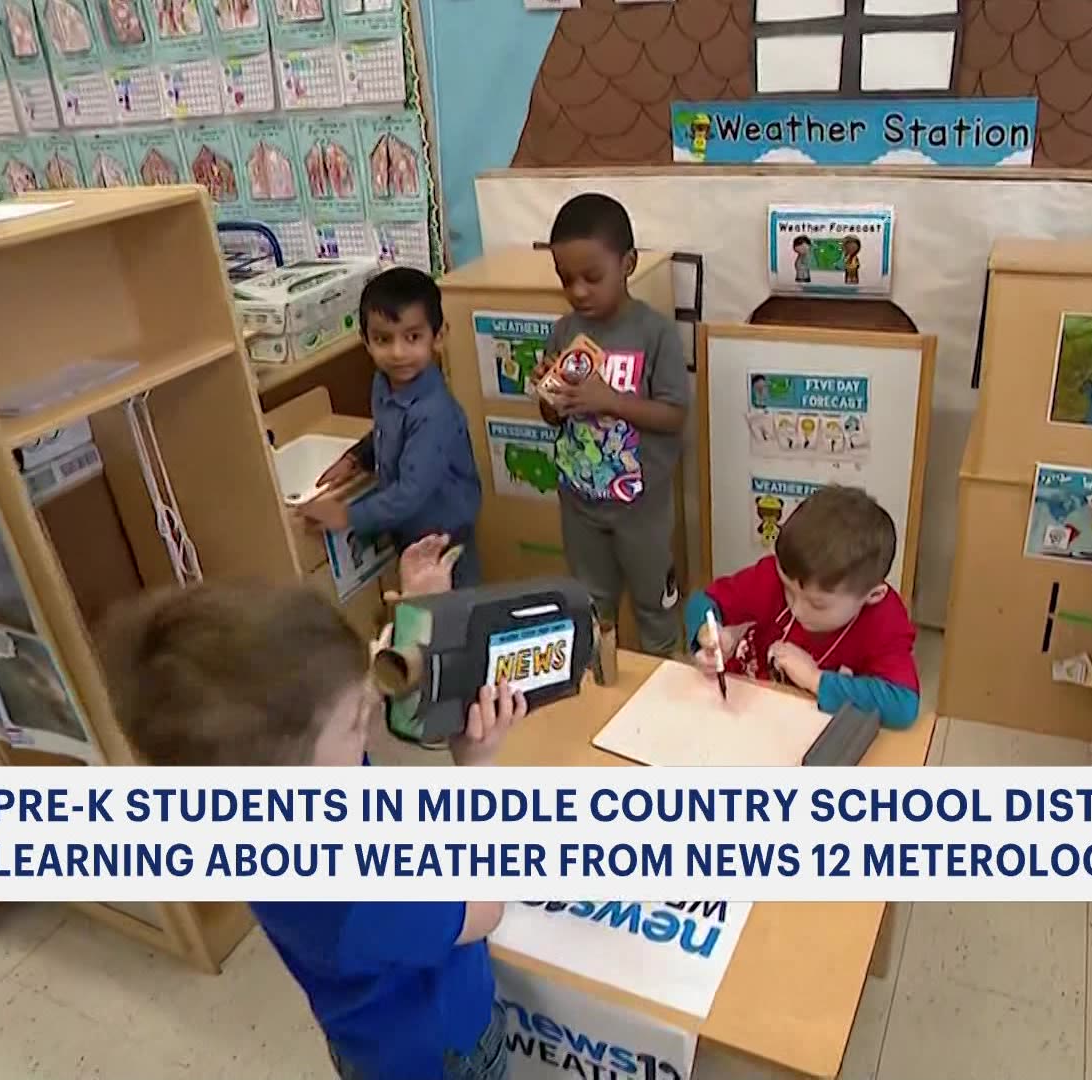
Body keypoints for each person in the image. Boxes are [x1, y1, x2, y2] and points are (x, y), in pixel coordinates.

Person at [98, 535, 523, 1080]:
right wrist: (477, 767)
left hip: (365, 1036)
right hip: (441, 1050)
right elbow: (484, 908)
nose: (371, 707)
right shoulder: (359, 893)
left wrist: (420, 618)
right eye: (354, 721)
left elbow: (357, 687)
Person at [536, 192, 689, 657]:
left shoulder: (655, 332)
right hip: (579, 501)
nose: (579, 291)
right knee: (590, 605)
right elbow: (552, 418)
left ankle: (662, 678)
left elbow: (674, 415)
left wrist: (612, 401)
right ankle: (600, 680)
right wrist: (548, 396)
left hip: (641, 508)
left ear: (628, 264)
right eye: (566, 279)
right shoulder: (564, 331)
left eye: (592, 277)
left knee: (654, 606)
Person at [300, 267, 484, 588]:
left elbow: (411, 492)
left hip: (444, 540)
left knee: (452, 609)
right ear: (366, 341)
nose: (398, 353)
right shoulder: (384, 383)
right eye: (383, 339)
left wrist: (347, 516)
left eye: (412, 337)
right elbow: (387, 432)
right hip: (408, 531)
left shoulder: (433, 413)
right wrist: (357, 458)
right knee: (417, 606)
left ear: (438, 337)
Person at [686, 486, 920, 728]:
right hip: (742, 708)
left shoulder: (884, 620)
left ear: (872, 595)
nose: (796, 609)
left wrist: (815, 679)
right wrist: (708, 634)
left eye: (816, 604)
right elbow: (703, 602)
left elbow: (902, 704)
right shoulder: (775, 576)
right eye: (788, 590)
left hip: (810, 730)